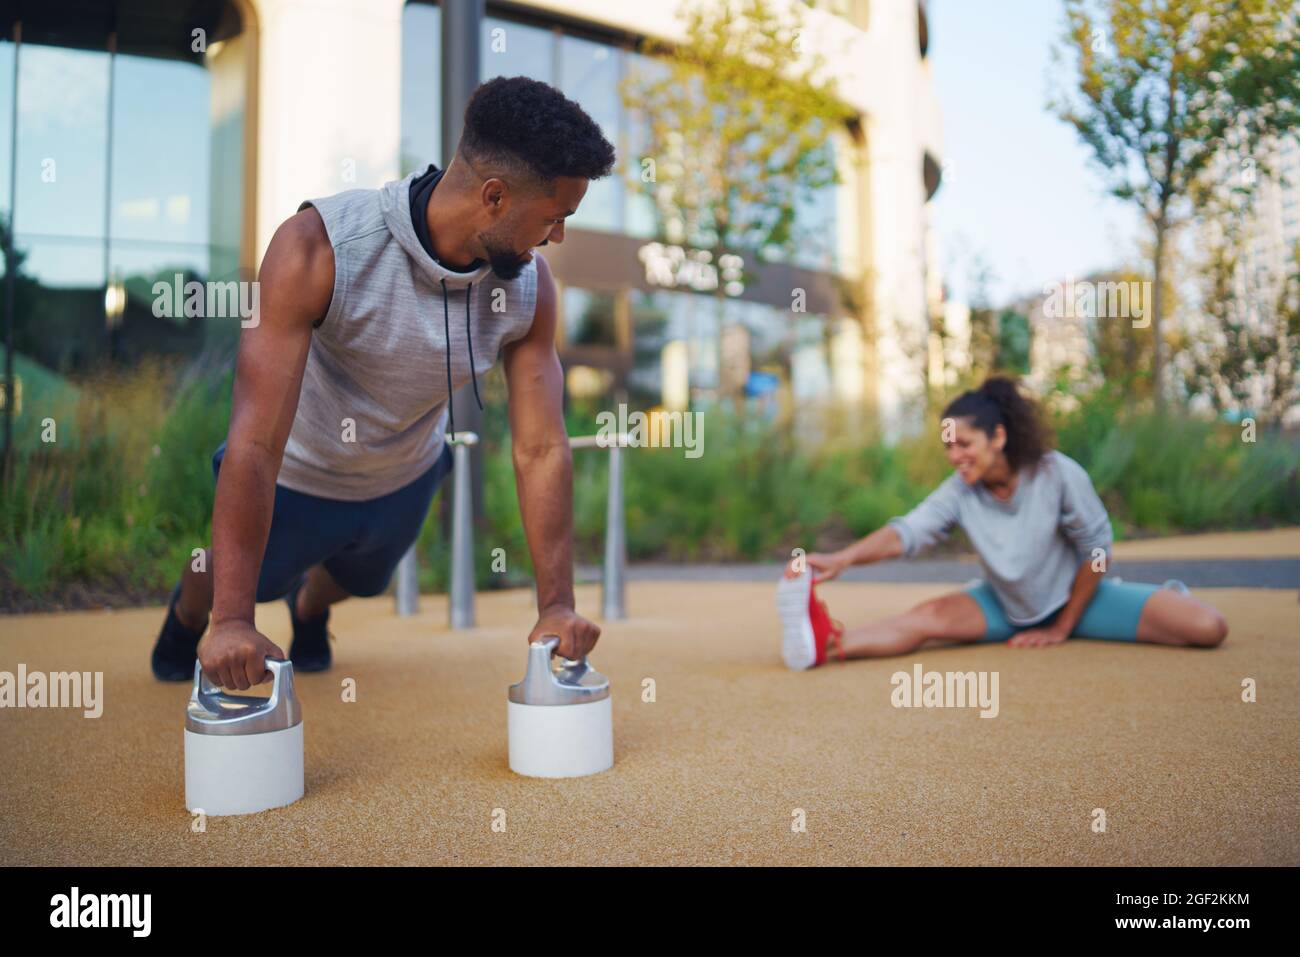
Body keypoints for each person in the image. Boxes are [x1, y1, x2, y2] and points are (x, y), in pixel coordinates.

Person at [151, 76, 616, 689]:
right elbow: (256, 440)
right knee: (229, 581)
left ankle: (310, 610)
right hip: (301, 471)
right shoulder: (320, 248)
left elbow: (541, 447)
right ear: (496, 196)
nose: (556, 237)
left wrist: (556, 604)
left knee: (358, 583)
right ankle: (187, 615)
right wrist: (231, 619)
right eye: (554, 218)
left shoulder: (529, 288)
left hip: (406, 474)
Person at [776, 377, 1229, 668]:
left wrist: (1061, 627)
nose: (955, 456)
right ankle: (825, 643)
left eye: (965, 443)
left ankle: (1165, 597)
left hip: (1082, 601)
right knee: (925, 618)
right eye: (949, 447)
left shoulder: (1057, 473)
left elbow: (1098, 551)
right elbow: (907, 532)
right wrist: (843, 559)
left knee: (1208, 629)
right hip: (1004, 604)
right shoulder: (959, 489)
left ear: (998, 436)